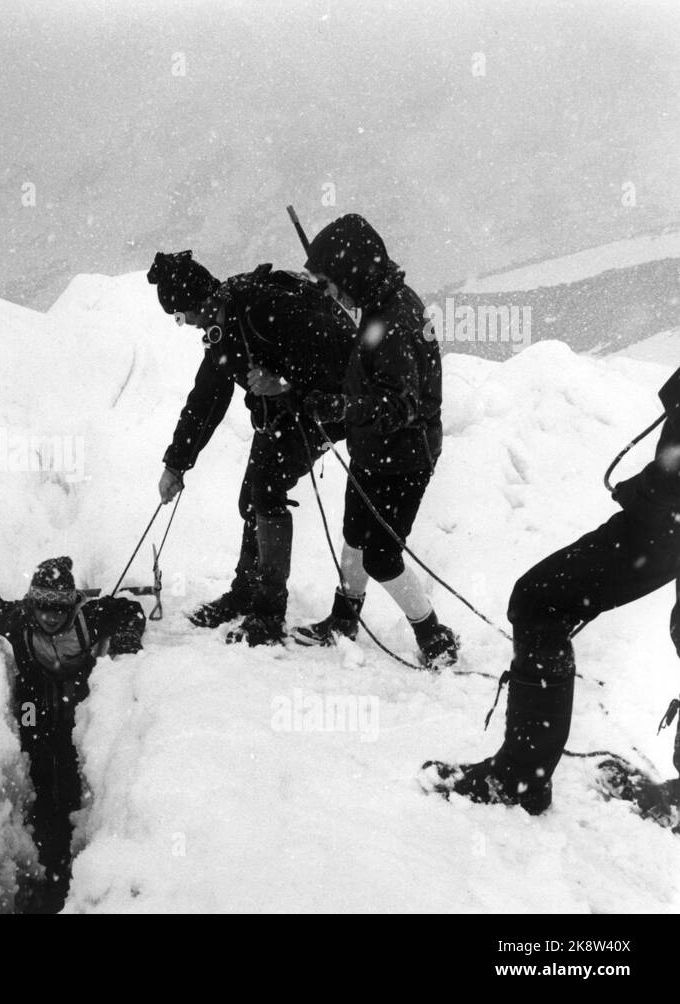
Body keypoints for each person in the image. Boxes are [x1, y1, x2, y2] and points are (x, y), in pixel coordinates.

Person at [426, 366, 680, 815]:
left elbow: (671, 480)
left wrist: (638, 492)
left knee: (539, 599)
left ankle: (520, 780)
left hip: (667, 523)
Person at [148, 251, 355, 645]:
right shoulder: (221, 331)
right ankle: (246, 592)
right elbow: (206, 401)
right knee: (253, 497)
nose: (186, 324)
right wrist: (176, 465)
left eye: (182, 315)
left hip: (326, 408)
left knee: (267, 490)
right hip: (280, 415)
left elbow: (338, 354)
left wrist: (285, 383)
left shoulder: (263, 309)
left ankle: (268, 613)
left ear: (200, 302)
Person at [0, 557, 146, 912]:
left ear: (72, 604)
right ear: (32, 604)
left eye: (59, 608)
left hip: (75, 699)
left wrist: (127, 643)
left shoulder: (89, 620)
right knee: (35, 749)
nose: (51, 616)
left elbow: (129, 610)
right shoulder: (20, 619)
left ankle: (69, 816)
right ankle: (41, 812)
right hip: (34, 699)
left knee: (70, 755)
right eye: (44, 608)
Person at [292, 214, 458, 668]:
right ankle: (344, 620)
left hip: (406, 457)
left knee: (383, 556)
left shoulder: (394, 318)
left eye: (331, 283)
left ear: (352, 272)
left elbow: (400, 405)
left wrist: (342, 409)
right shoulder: (383, 302)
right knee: (354, 535)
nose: (333, 294)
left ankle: (434, 636)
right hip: (373, 451)